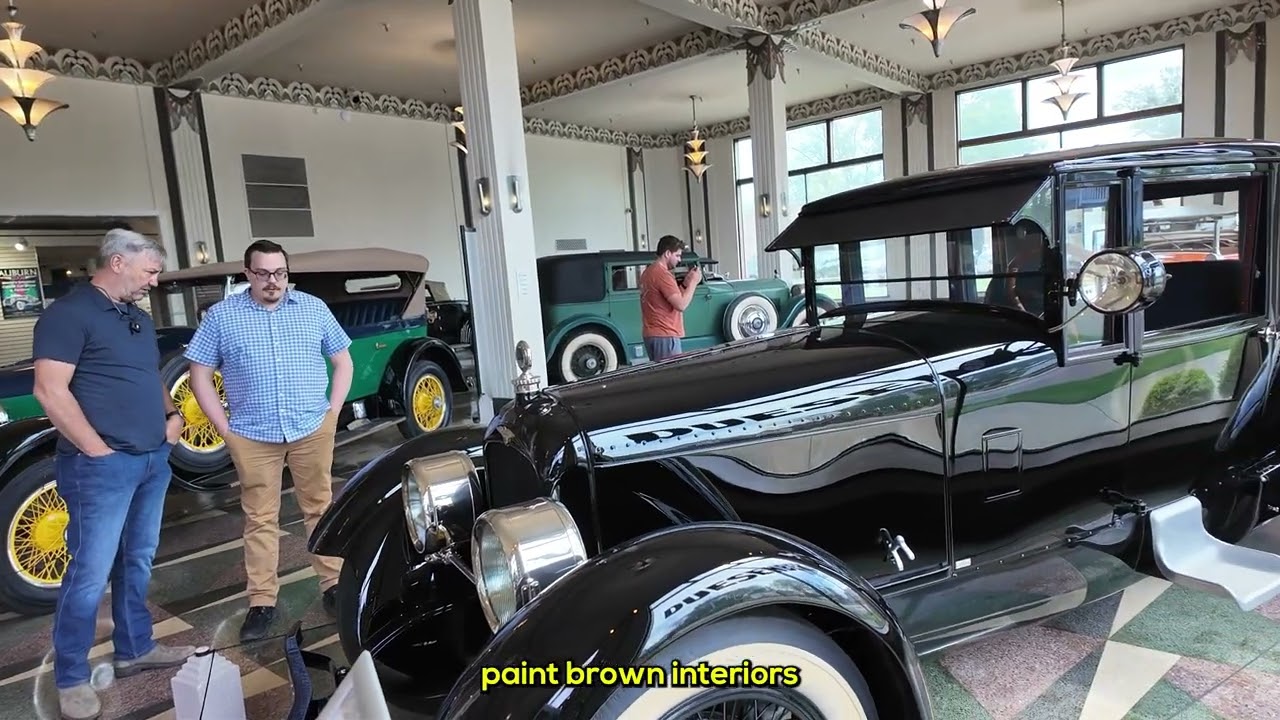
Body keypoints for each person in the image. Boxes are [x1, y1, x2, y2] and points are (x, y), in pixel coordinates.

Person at [32, 229, 196, 720]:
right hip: (101, 467)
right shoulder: (69, 314)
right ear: (119, 262)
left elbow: (146, 377)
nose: (155, 280)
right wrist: (97, 450)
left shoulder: (137, 319)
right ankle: (72, 678)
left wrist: (172, 416)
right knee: (88, 573)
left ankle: (135, 647)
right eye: (150, 271)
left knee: (138, 561)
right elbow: (49, 390)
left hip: (151, 459)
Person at [184, 239, 354, 642]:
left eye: (279, 273)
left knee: (320, 507)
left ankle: (332, 585)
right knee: (260, 518)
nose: (273, 281)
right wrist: (224, 428)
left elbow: (343, 360)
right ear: (248, 275)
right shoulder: (222, 317)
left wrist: (332, 412)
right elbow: (198, 373)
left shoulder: (313, 309)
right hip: (252, 435)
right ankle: (262, 600)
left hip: (311, 427)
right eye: (263, 273)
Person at [639, 235, 700, 361]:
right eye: (677, 255)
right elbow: (681, 305)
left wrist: (685, 285)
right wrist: (693, 283)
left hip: (652, 334)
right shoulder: (663, 275)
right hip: (665, 334)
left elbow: (668, 299)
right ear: (667, 253)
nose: (679, 259)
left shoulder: (648, 272)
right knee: (672, 377)